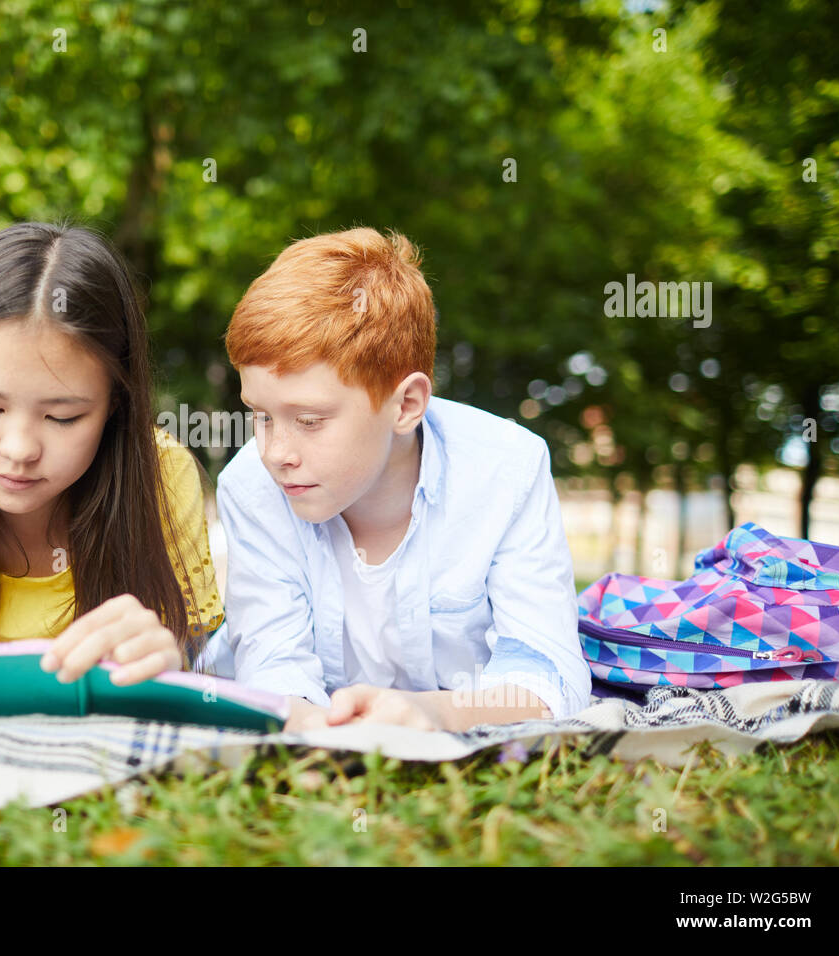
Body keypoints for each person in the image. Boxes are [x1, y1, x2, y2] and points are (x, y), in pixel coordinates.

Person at [204, 227, 591, 733]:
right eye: (261, 416)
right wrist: (325, 730)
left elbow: (547, 674)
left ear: (406, 404)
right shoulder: (250, 487)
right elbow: (272, 671)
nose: (276, 453)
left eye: (310, 421)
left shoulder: (507, 471)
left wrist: (429, 714)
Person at [0, 222, 223, 711]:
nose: (19, 448)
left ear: (116, 402)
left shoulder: (163, 476)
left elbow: (205, 656)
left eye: (62, 416)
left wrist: (169, 654)